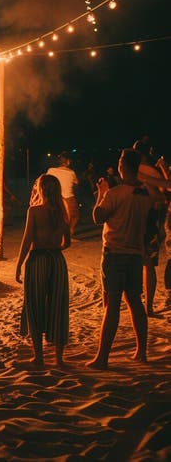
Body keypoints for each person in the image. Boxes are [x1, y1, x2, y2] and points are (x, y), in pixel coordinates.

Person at [87, 149, 155, 370]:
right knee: (135, 301)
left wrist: (101, 192)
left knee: (112, 304)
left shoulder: (115, 194)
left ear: (122, 166)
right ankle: (141, 353)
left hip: (115, 254)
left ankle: (102, 358)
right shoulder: (145, 195)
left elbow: (98, 217)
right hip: (135, 254)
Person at [15, 174, 71, 368]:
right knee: (58, 306)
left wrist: (19, 263)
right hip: (57, 260)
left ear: (40, 190)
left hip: (38, 260)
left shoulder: (35, 211)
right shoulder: (62, 213)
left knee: (35, 305)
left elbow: (27, 240)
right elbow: (67, 243)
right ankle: (59, 359)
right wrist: (53, 250)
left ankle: (39, 357)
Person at [133, 139, 171, 316]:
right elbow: (165, 190)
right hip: (149, 218)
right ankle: (147, 307)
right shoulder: (148, 170)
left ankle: (138, 304)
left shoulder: (130, 170)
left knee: (135, 261)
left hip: (135, 216)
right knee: (148, 263)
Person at [47, 152, 80, 236]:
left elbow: (45, 181)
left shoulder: (51, 170)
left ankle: (58, 232)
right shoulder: (71, 172)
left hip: (56, 197)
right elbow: (76, 184)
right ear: (68, 162)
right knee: (75, 215)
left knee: (57, 215)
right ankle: (70, 232)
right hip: (69, 197)